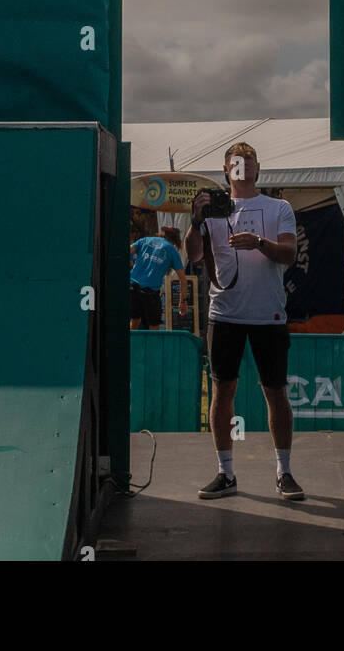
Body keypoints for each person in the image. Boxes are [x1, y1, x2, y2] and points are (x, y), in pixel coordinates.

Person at [184, 142, 303, 501]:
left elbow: (290, 252)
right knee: (222, 392)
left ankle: (284, 472)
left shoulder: (277, 206)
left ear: (258, 168)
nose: (243, 167)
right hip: (224, 313)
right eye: (236, 162)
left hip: (268, 312)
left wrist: (259, 243)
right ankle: (226, 473)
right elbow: (192, 255)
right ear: (226, 170)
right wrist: (195, 220)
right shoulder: (213, 208)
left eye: (249, 161)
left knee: (275, 391)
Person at [130, 226, 187, 331]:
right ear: (176, 239)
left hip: (133, 287)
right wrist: (182, 301)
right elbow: (183, 280)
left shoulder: (145, 240)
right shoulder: (171, 250)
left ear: (162, 233)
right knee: (154, 326)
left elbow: (127, 251)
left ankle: (131, 346)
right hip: (150, 293)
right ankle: (152, 347)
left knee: (134, 321)